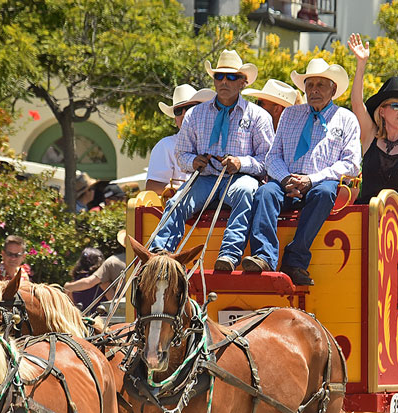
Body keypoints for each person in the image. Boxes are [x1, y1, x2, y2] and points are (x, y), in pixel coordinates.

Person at [150, 49, 275, 273]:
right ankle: (159, 253)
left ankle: (229, 254)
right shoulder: (194, 115)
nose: (224, 81)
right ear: (214, 81)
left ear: (243, 83)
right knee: (177, 202)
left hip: (239, 179)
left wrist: (240, 163)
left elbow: (267, 161)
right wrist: (194, 161)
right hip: (205, 178)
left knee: (247, 191)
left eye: (231, 77)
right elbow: (182, 154)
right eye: (219, 76)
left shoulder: (258, 116)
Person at [250, 58, 361, 286]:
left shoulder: (346, 118)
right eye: (310, 85)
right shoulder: (291, 115)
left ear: (333, 89)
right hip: (287, 182)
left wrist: (311, 179)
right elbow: (272, 156)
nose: (314, 90)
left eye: (321, 85)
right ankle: (264, 256)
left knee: (325, 193)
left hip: (320, 184)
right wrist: (286, 178)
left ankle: (294, 261)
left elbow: (351, 164)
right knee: (265, 193)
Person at [345, 36, 398, 211]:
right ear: (382, 111)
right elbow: (358, 104)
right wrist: (361, 64)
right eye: (396, 105)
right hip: (366, 218)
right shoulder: (369, 137)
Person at [146, 84, 215, 195]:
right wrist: (189, 190)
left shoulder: (219, 141)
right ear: (175, 120)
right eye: (178, 111)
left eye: (189, 108)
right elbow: (153, 187)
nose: (184, 114)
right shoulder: (165, 145)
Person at [64, 230, 127, 303]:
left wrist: (67, 287)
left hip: (124, 309)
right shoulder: (140, 260)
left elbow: (89, 282)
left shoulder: (112, 262)